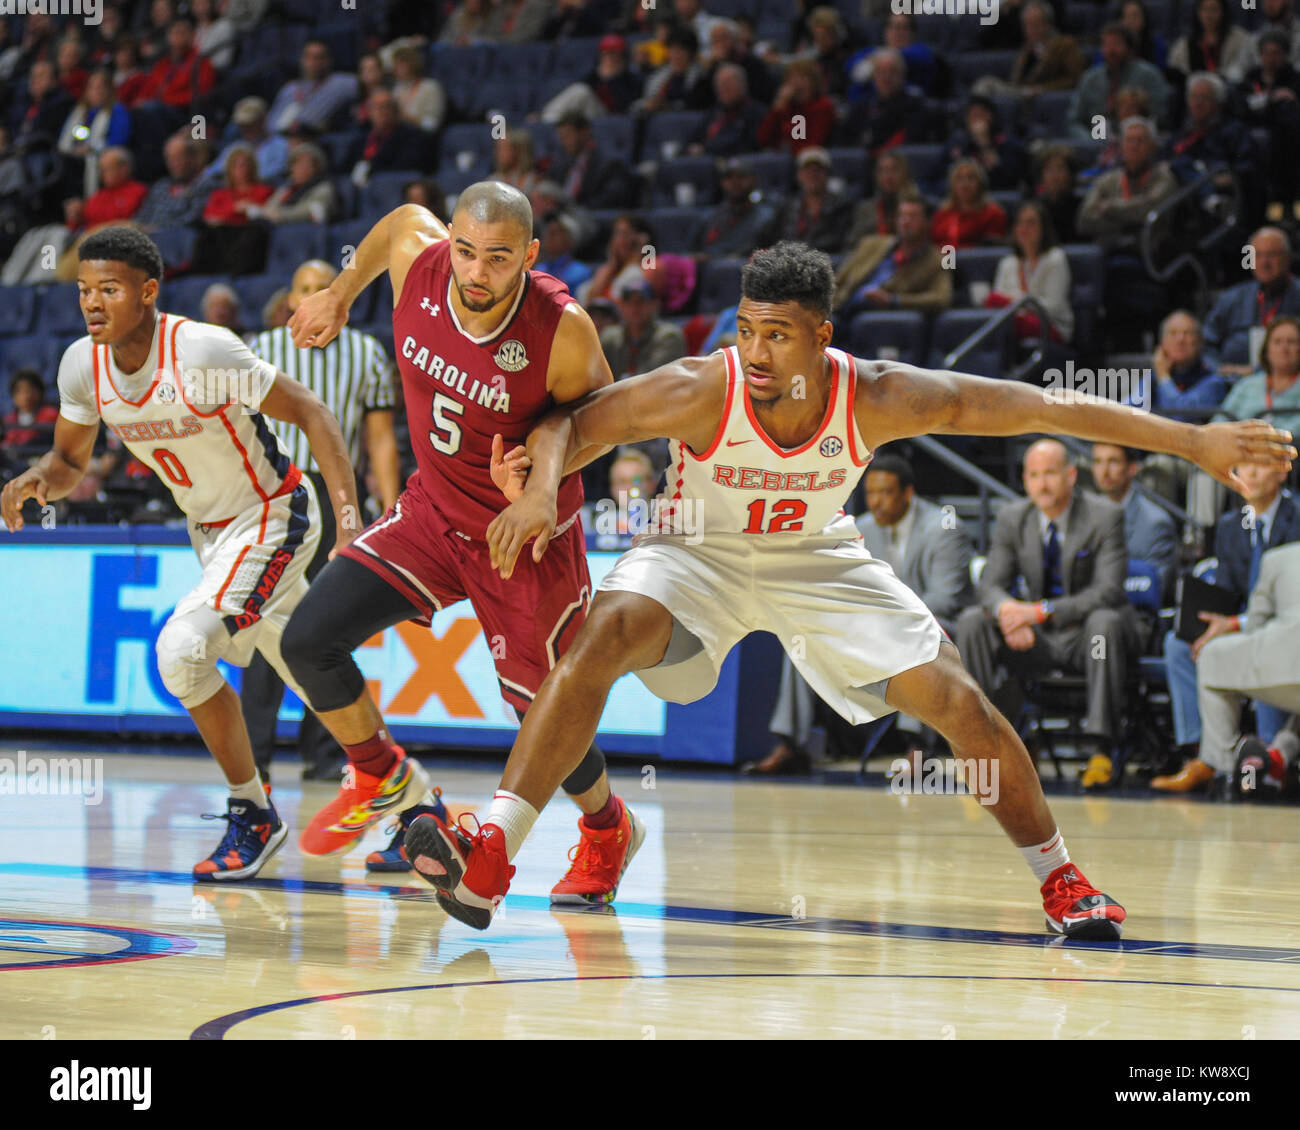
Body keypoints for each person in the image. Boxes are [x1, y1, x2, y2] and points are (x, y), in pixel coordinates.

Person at [396, 240, 1293, 934]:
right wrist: (542, 479)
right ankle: (494, 858)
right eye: (745, 328)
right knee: (595, 636)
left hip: (816, 559)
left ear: (823, 337)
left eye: (775, 334)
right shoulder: (701, 386)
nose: (752, 350)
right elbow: (574, 422)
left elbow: (1042, 407)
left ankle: (1058, 875)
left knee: (963, 707)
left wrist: (1198, 441)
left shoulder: (880, 394)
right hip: (696, 551)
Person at [279, 183, 645, 904]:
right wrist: (344, 294)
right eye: (466, 251)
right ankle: (385, 778)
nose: (475, 273)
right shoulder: (420, 257)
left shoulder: (561, 329)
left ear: (530, 255)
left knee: (544, 711)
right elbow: (394, 224)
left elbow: (603, 422)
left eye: (498, 259)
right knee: (307, 640)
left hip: (522, 536)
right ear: (449, 238)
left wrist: (542, 479)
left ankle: (608, 827)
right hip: (431, 512)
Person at [0, 226, 362, 881]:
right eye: (84, 291)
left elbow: (312, 410)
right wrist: (36, 480)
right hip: (213, 534)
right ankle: (414, 802)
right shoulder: (82, 363)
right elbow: (69, 460)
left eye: (109, 290)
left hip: (274, 511)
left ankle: (252, 812)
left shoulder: (200, 349)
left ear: (148, 291)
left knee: (183, 651)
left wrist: (350, 518)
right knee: (311, 665)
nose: (92, 303)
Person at [240, 258, 401, 788]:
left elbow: (379, 439)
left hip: (339, 499)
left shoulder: (366, 352)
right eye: (303, 287)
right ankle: (254, 759)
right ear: (290, 299)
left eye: (322, 288)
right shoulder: (260, 349)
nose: (311, 296)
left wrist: (392, 502)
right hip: (276, 496)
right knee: (266, 625)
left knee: (327, 627)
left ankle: (327, 757)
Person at [753, 453, 975, 776]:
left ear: (907, 494)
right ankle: (792, 745)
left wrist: (884, 624)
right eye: (870, 494)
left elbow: (943, 599)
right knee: (803, 637)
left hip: (936, 629)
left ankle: (918, 748)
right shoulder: (862, 529)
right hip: (877, 631)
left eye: (885, 493)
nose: (876, 503)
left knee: (922, 639)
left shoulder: (943, 528)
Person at [957, 439, 1139, 775]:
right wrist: (1008, 612)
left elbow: (1108, 591)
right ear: (1025, 480)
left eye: (1050, 474)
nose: (1042, 483)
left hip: (1087, 637)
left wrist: (1038, 611)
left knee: (1105, 622)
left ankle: (1101, 749)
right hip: (1034, 639)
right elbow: (989, 586)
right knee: (972, 622)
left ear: (1071, 475)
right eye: (1034, 475)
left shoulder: (1105, 516)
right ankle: (985, 746)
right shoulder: (1014, 518)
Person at [1154, 458, 1300, 791]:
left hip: (1284, 626)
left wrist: (1236, 624)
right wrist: (1209, 621)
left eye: (1259, 466)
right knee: (1179, 646)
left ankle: (1268, 756)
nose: (1249, 473)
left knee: (1267, 644)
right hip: (1245, 622)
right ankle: (1205, 753)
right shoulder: (1229, 525)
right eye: (1242, 467)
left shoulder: (1297, 516)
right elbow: (1226, 591)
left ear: (1281, 472)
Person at [1194, 542, 1300, 796]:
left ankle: (1226, 771)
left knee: (1211, 656)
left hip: (1280, 667)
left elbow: (1255, 623)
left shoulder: (1277, 557)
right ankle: (1276, 758)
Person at [834, 192, 952, 320]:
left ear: (927, 222)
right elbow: (840, 279)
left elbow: (942, 299)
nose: (905, 222)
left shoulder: (940, 259)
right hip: (840, 307)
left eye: (913, 217)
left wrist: (893, 300)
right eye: (902, 216)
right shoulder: (871, 244)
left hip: (877, 317)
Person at [1201, 227, 1300, 373]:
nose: (1264, 262)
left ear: (1288, 258)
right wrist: (1220, 369)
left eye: (1271, 255)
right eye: (1257, 255)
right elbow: (1205, 344)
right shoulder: (1231, 298)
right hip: (1231, 381)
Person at [1090, 443, 1179, 601]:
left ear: (1132, 468)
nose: (1104, 471)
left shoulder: (1155, 523)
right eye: (1098, 461)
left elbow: (1155, 588)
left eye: (1113, 462)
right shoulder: (1085, 514)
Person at [989, 200, 1074, 344]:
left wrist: (1015, 302)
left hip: (1050, 325)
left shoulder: (1055, 259)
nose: (1024, 228)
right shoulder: (1007, 263)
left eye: (1031, 223)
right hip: (1015, 321)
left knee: (1000, 323)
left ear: (1043, 228)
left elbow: (1053, 307)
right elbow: (997, 303)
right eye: (1020, 223)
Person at [1067, 24, 1170, 139]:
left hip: (1136, 136)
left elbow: (1160, 115)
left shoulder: (1149, 75)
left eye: (1116, 44)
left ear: (1130, 48)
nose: (1111, 50)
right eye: (1106, 45)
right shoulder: (1090, 79)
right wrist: (1090, 141)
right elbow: (1074, 120)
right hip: (1099, 135)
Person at [774, 147, 854, 254]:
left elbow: (840, 242)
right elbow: (773, 238)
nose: (812, 175)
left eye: (818, 170)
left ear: (827, 174)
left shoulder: (843, 207)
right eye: (807, 170)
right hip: (790, 263)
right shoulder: (787, 207)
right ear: (798, 176)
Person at [698, 158, 779, 259]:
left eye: (741, 176)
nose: (735, 182)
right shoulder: (709, 216)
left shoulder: (767, 218)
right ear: (722, 182)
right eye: (729, 177)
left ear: (754, 180)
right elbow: (692, 251)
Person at [1167, 0, 1256, 86]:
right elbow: (1176, 68)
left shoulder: (1240, 39)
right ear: (1198, 12)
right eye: (1205, 9)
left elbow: (1241, 68)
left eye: (1214, 9)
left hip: (1227, 88)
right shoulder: (1184, 44)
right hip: (1193, 90)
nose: (1209, 15)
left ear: (1223, 12)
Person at [930, 160, 1008, 250]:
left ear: (980, 184)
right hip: (941, 262)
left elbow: (992, 250)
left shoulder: (993, 214)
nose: (965, 184)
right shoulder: (942, 213)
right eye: (959, 179)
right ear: (952, 185)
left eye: (970, 178)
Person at [845, 149, 915, 244]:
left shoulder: (917, 207)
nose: (888, 177)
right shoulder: (866, 210)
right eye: (883, 171)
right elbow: (852, 245)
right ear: (876, 177)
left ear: (905, 174)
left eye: (894, 170)